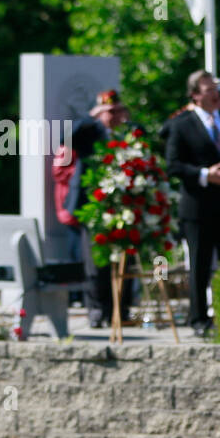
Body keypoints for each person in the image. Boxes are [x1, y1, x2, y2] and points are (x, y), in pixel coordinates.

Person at [163, 69, 220, 336]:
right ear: (195, 95)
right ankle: (198, 319)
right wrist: (205, 175)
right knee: (199, 265)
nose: (215, 93)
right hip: (198, 206)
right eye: (208, 89)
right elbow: (173, 166)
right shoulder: (181, 124)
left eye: (216, 88)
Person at [55, 88, 136, 328]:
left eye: (116, 111)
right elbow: (67, 138)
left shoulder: (128, 132)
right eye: (107, 112)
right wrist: (92, 116)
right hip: (94, 203)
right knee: (95, 261)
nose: (112, 116)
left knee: (125, 259)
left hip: (125, 204)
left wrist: (126, 119)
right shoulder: (89, 130)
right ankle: (98, 310)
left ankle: (122, 308)